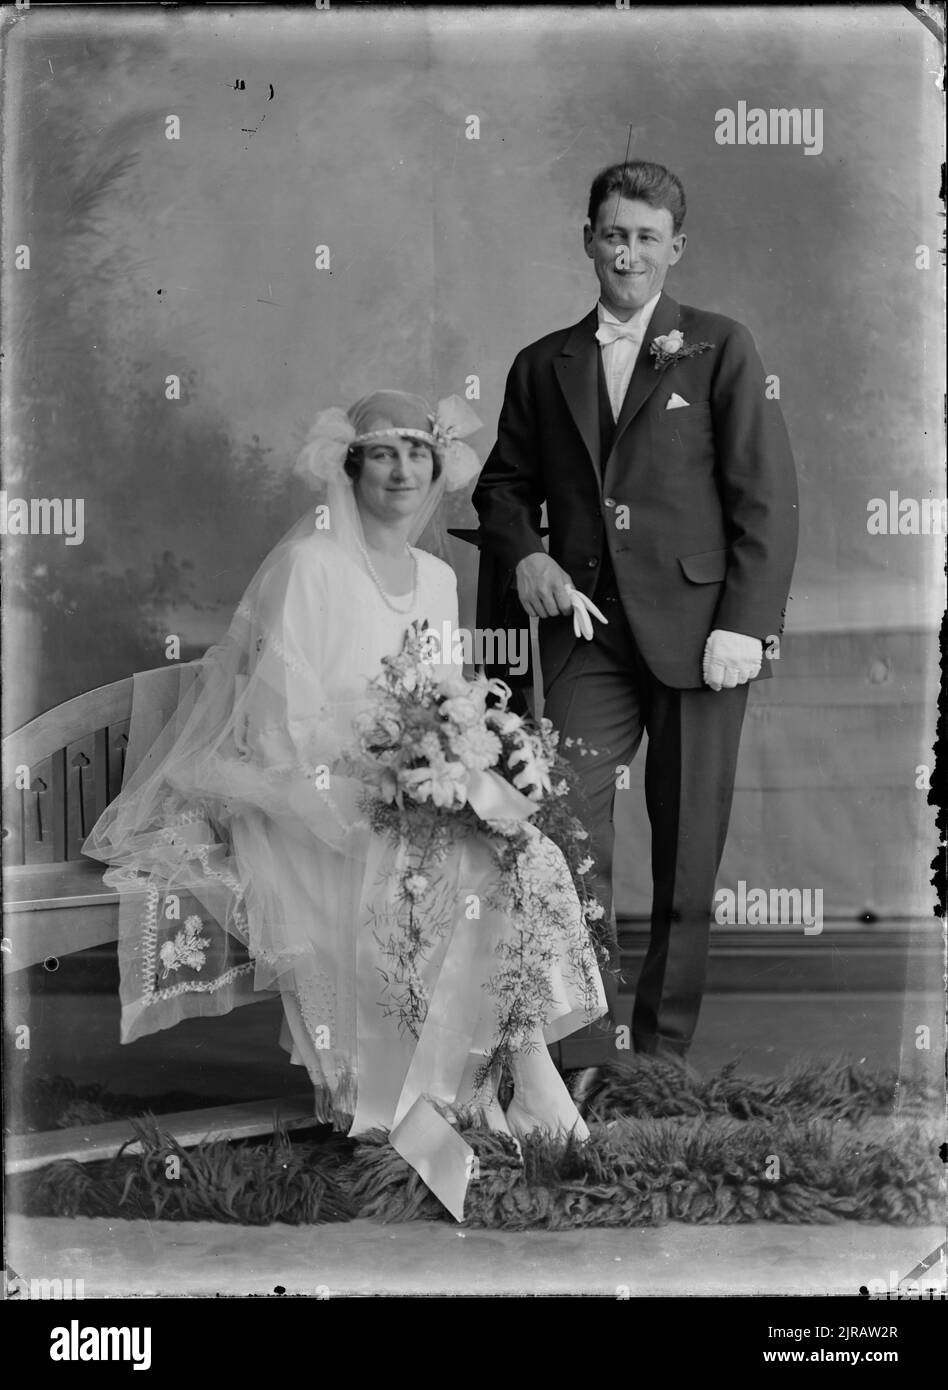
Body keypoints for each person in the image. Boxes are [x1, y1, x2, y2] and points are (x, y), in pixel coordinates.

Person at [83, 389, 606, 1220]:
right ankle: (450, 1100)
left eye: (418, 455)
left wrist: (450, 759)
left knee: (519, 849)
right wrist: (377, 774)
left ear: (439, 470)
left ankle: (511, 1075)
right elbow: (277, 724)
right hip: (302, 793)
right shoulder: (312, 565)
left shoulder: (437, 578)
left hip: (402, 781)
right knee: (430, 868)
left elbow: (438, 696)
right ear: (352, 467)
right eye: (384, 454)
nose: (402, 472)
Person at [472, 160, 799, 1084]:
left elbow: (766, 500)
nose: (628, 252)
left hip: (703, 639)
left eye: (647, 236)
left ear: (675, 248)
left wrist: (745, 623)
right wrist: (525, 555)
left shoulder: (722, 346)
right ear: (587, 239)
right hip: (586, 631)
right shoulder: (543, 364)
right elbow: (502, 489)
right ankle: (579, 1052)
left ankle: (659, 1058)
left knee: (689, 847)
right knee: (564, 835)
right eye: (613, 233)